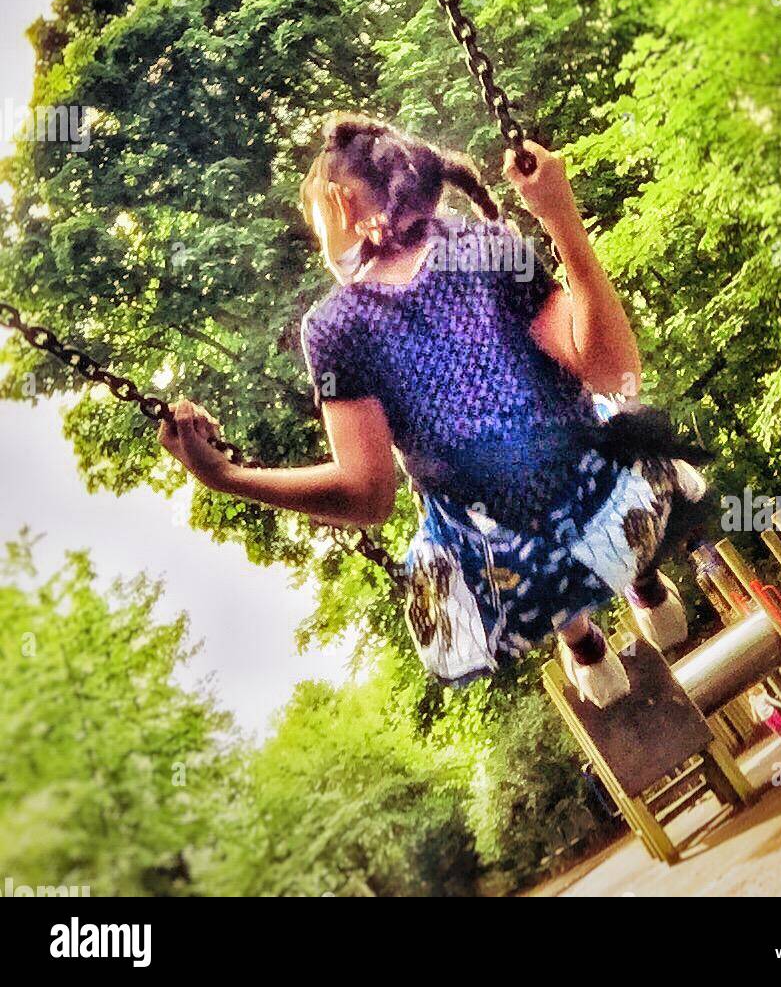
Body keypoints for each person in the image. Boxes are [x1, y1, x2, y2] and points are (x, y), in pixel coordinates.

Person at [159, 113, 710, 706]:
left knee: (475, 529)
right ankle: (639, 581)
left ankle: (581, 635)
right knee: (590, 436)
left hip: (519, 578)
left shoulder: (337, 328)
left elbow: (368, 498)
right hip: (622, 502)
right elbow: (614, 372)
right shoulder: (488, 243)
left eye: (315, 222)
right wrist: (560, 217)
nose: (319, 245)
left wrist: (225, 476)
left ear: (342, 207)